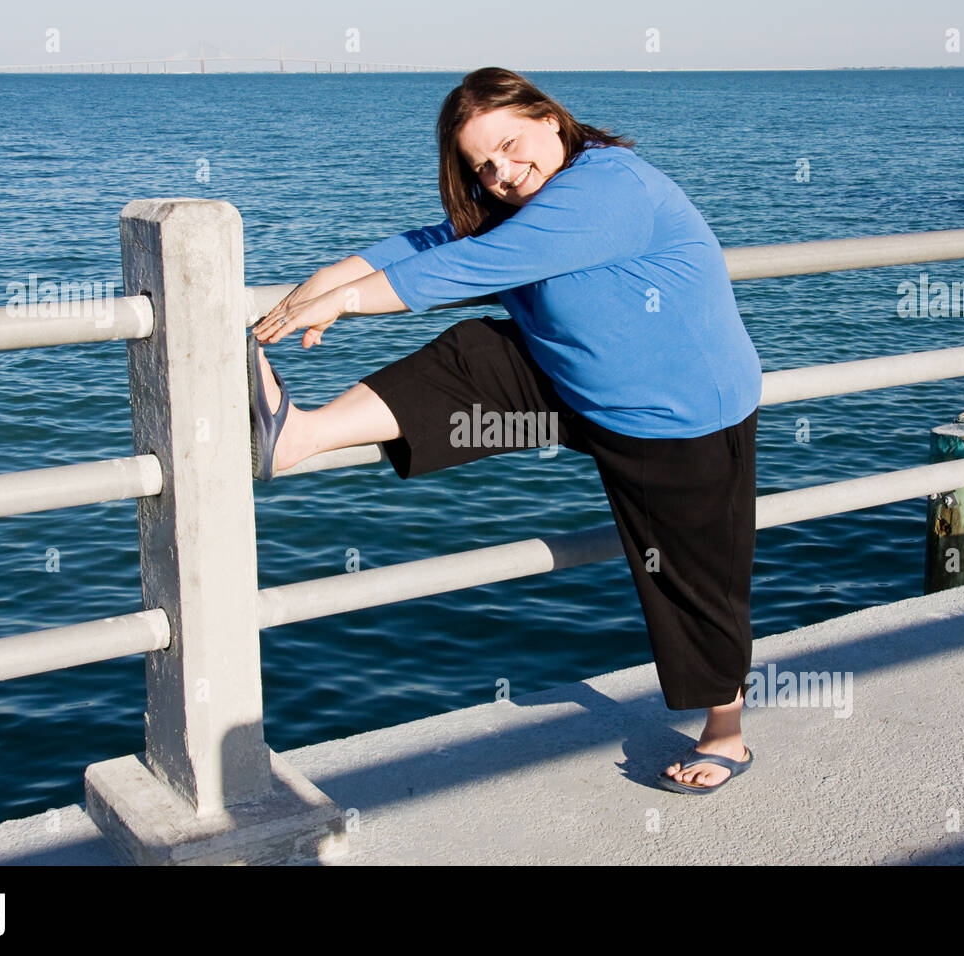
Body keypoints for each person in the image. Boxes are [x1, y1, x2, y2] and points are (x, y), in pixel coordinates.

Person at [249, 67, 762, 795]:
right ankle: (298, 435)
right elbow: (439, 238)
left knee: (690, 578)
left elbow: (477, 262)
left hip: (676, 417)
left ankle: (727, 733)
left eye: (512, 146)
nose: (503, 174)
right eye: (483, 166)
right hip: (574, 381)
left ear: (551, 119)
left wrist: (341, 303)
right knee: (478, 355)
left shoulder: (611, 187)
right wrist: (330, 277)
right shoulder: (518, 202)